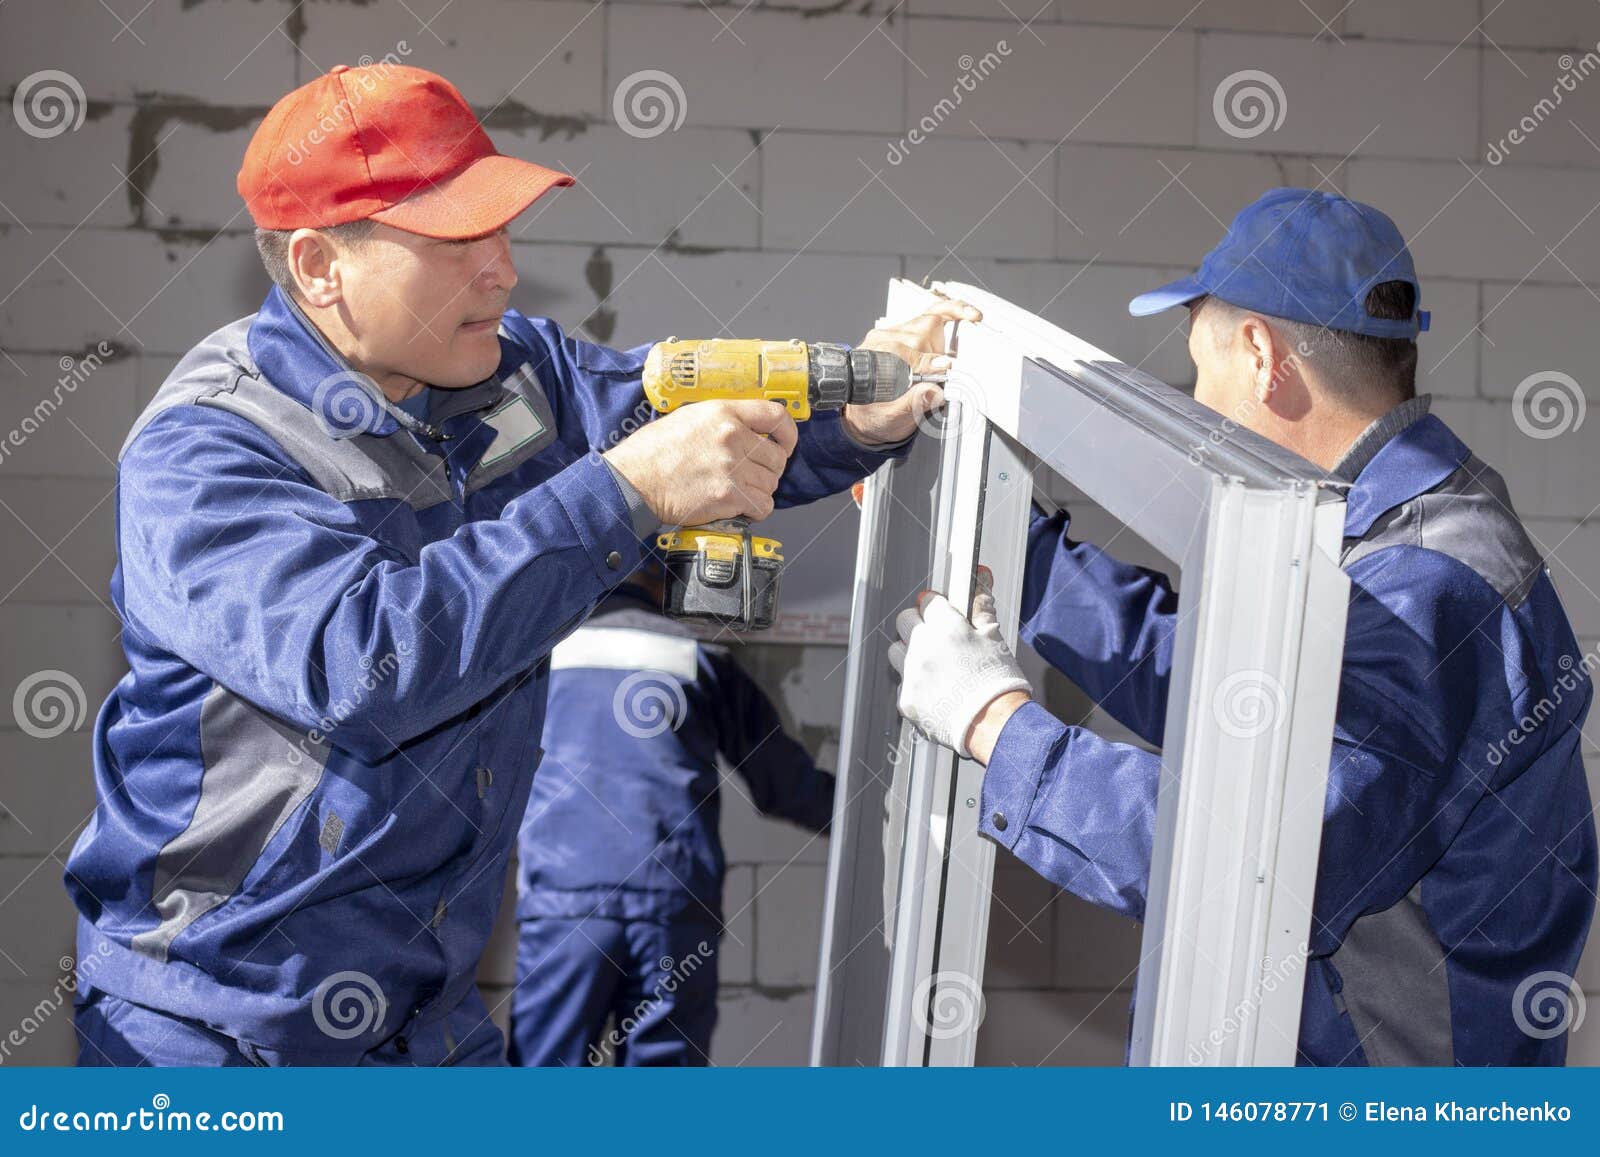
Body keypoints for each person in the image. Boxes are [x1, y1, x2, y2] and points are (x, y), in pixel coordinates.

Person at [64, 62, 972, 1066]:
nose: (500, 268)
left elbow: (695, 430)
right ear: (320, 267)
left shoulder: (509, 373)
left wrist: (851, 415)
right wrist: (622, 492)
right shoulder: (209, 449)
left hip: (427, 1010)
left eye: (498, 228)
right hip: (222, 1023)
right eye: (455, 240)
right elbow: (364, 666)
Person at [888, 188, 1596, 1066]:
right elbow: (1226, 695)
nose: (1198, 401)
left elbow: (1264, 861)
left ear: (1261, 354)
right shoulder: (1378, 533)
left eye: (1198, 370)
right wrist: (1012, 547)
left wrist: (994, 723)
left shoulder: (1425, 586)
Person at [508, 561, 833, 1066]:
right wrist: (888, 822)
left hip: (565, 899)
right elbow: (787, 788)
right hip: (673, 901)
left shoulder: (534, 660)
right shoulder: (700, 657)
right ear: (668, 581)